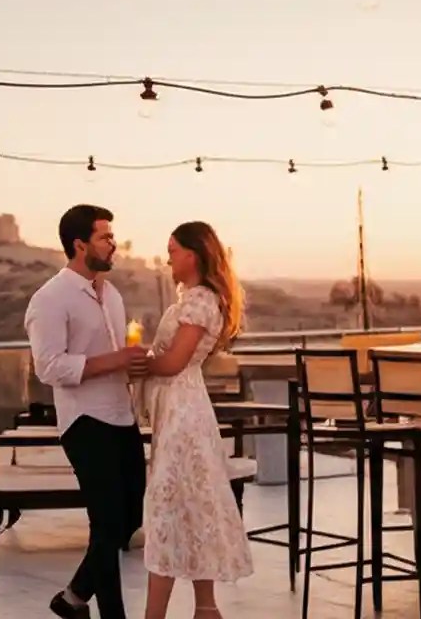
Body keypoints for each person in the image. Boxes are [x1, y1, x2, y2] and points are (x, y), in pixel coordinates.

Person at [25, 204, 150, 619]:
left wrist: (133, 366)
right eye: (104, 237)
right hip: (84, 422)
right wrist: (116, 360)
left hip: (122, 416)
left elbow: (114, 358)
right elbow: (49, 367)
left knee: (130, 517)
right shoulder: (50, 298)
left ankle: (74, 597)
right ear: (80, 245)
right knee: (107, 524)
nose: (113, 244)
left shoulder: (111, 294)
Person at [138, 221, 254, 619]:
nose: (168, 257)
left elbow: (173, 363)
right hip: (182, 409)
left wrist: (138, 363)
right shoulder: (196, 299)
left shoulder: (200, 301)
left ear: (193, 254)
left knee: (168, 508)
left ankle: (160, 616)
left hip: (184, 413)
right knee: (190, 504)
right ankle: (206, 609)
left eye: (173, 250)